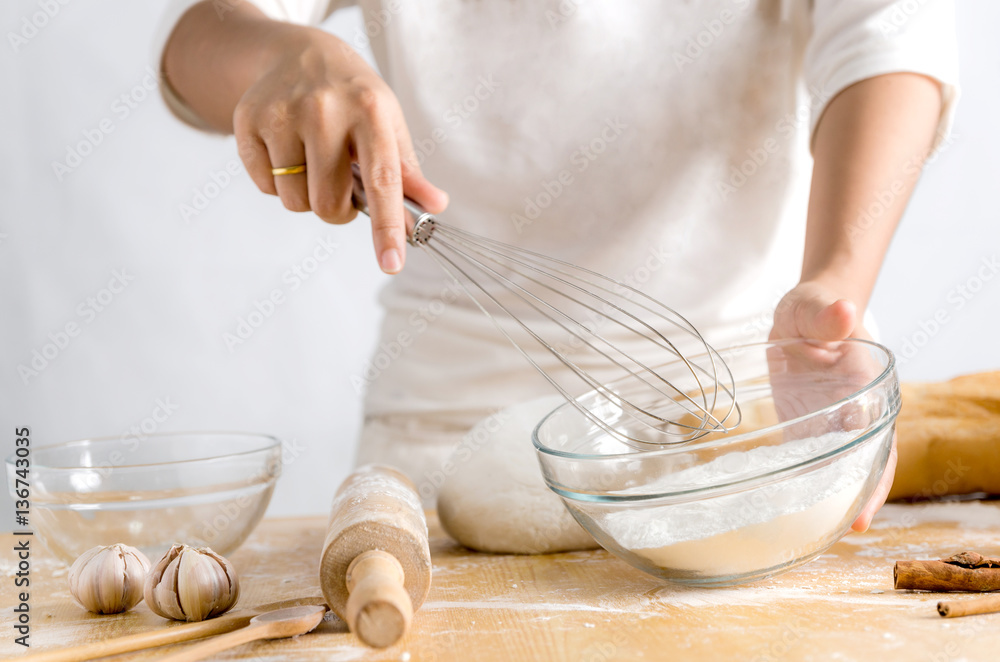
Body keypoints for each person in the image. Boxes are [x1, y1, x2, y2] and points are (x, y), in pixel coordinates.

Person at [155, 0, 959, 530]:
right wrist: (286, 54)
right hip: (447, 446)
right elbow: (198, 35)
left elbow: (888, 30)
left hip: (755, 424)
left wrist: (833, 288)